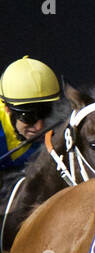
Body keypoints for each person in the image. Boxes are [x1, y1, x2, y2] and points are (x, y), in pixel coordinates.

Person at [0, 56, 62, 204]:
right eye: (28, 117)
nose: (39, 127)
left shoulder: (57, 127)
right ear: (8, 109)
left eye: (45, 113)